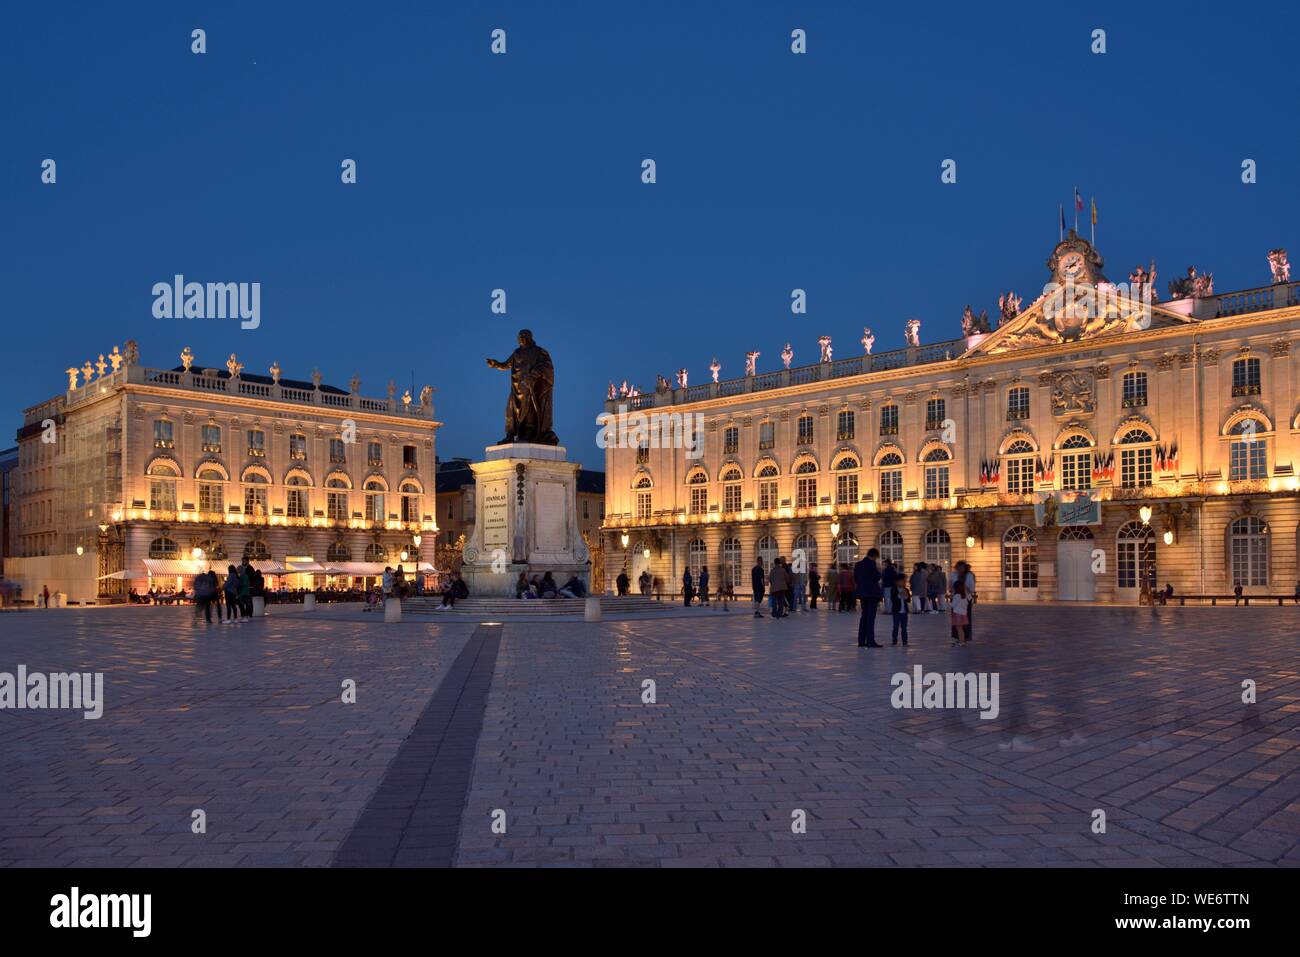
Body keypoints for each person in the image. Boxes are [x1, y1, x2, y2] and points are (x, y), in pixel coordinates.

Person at [853, 547, 883, 647]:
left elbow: (856, 579)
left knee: (864, 617)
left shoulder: (858, 564)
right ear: (874, 556)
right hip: (872, 594)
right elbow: (877, 577)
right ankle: (870, 641)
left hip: (862, 594)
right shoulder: (872, 564)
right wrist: (878, 571)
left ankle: (861, 641)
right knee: (870, 618)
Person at [890, 574, 910, 645]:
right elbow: (893, 600)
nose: (903, 583)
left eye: (904, 581)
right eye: (901, 581)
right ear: (897, 582)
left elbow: (908, 600)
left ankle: (905, 640)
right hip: (896, 611)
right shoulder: (893, 590)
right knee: (896, 626)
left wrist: (906, 596)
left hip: (904, 611)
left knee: (904, 627)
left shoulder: (906, 590)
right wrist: (899, 595)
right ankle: (894, 640)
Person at [951, 579, 970, 645]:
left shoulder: (957, 596)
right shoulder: (964, 596)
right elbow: (967, 604)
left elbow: (953, 605)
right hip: (963, 614)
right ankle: (962, 641)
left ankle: (961, 642)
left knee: (959, 628)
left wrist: (949, 603)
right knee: (961, 628)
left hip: (957, 614)